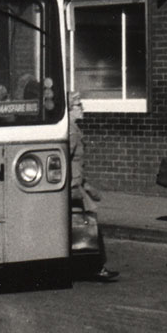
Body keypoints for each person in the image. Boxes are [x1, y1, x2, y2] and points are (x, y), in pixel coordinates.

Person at [68, 92, 119, 282]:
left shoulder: (73, 130)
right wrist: (78, 186)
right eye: (78, 105)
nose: (83, 109)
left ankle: (90, 266)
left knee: (81, 227)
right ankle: (96, 267)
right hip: (73, 187)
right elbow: (65, 159)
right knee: (88, 227)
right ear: (69, 109)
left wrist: (87, 187)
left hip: (76, 185)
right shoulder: (72, 132)